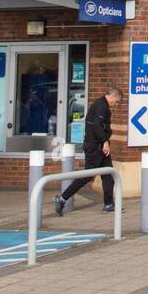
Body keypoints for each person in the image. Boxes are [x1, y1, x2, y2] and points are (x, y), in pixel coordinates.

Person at [55, 87, 120, 215]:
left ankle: (108, 204)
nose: (116, 104)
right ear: (112, 96)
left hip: (100, 146)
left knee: (108, 175)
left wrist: (105, 141)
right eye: (117, 101)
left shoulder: (102, 106)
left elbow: (101, 126)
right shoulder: (101, 106)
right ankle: (62, 198)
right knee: (87, 176)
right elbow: (97, 126)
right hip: (95, 147)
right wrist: (105, 141)